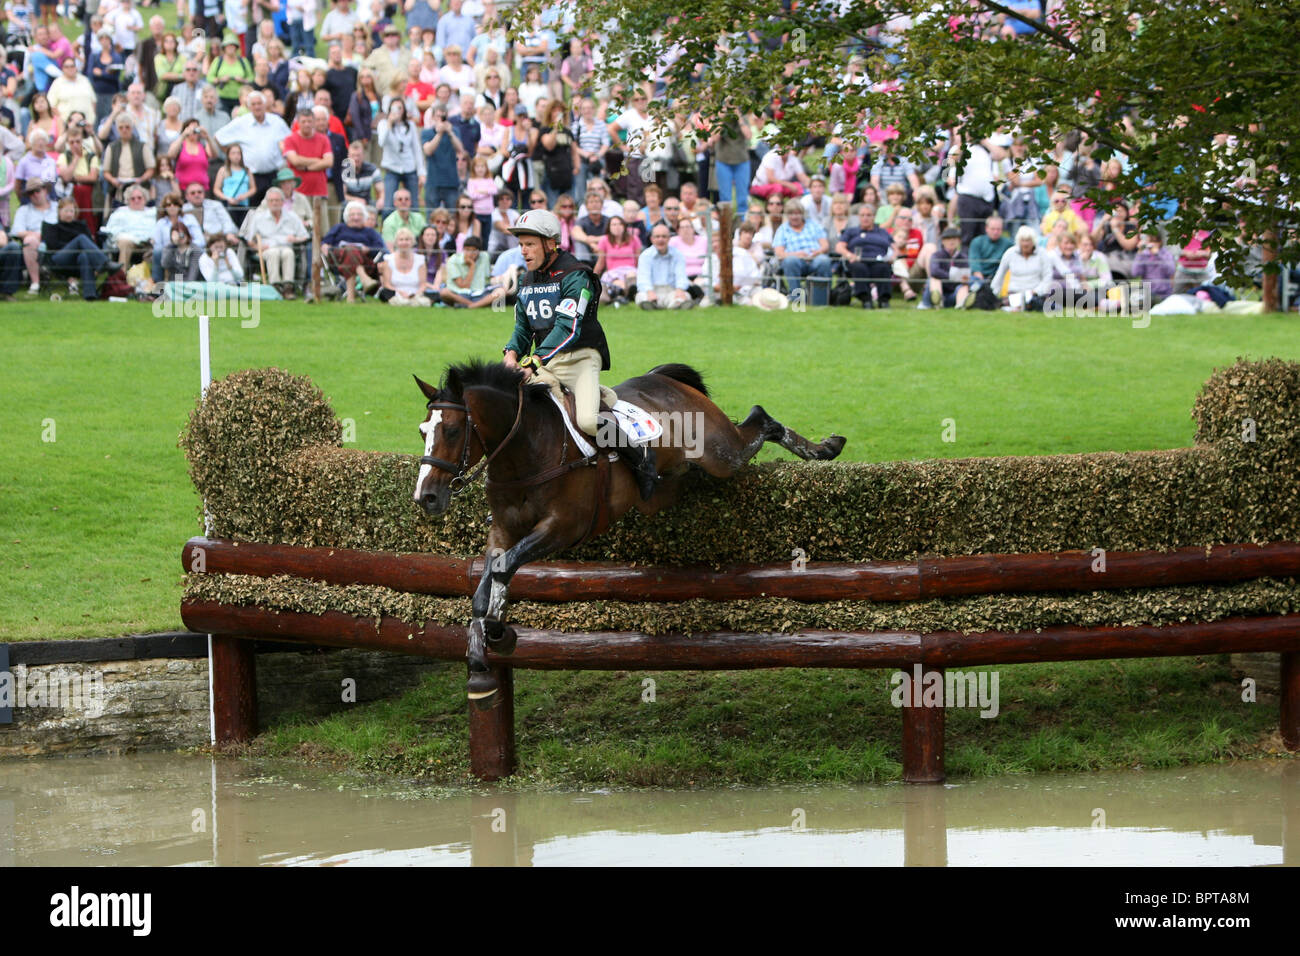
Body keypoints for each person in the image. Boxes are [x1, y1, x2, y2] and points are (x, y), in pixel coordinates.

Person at [503, 207, 658, 499]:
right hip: (546, 363)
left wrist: (534, 361)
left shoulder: (577, 276)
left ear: (551, 243)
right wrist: (511, 353)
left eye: (530, 244)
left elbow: (568, 328)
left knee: (587, 421)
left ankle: (641, 461)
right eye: (521, 244)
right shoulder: (527, 280)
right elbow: (523, 329)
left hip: (581, 357)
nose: (523, 251)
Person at [213, 91, 290, 207]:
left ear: (265, 105)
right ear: (249, 107)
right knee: (253, 211)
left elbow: (289, 141)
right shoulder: (241, 122)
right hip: (252, 177)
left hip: (274, 175)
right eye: (253, 104)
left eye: (259, 103)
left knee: (275, 208)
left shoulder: (277, 122)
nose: (257, 107)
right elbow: (218, 137)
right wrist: (233, 157)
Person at [247, 187, 308, 298]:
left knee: (288, 253)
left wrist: (295, 239)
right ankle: (275, 287)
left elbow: (305, 236)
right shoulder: (259, 217)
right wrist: (257, 246)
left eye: (277, 200)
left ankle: (288, 288)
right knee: (273, 253)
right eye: (271, 200)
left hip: (286, 246)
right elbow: (249, 240)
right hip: (266, 249)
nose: (274, 203)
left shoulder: (292, 216)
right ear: (267, 202)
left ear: (282, 202)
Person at [321, 199, 385, 300]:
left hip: (365, 262)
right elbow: (325, 243)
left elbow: (380, 248)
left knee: (351, 251)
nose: (355, 218)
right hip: (338, 262)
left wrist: (367, 249)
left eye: (359, 215)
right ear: (347, 217)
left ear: (364, 217)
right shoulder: (339, 228)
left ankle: (350, 298)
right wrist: (325, 247)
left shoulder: (370, 232)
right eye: (352, 215)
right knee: (350, 250)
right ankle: (364, 278)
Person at [772, 200, 831, 306]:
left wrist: (818, 252)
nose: (794, 217)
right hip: (795, 261)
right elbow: (779, 252)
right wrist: (796, 254)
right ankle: (797, 298)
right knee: (790, 261)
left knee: (824, 260)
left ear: (802, 214)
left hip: (814, 258)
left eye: (797, 213)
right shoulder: (783, 229)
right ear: (787, 215)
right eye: (791, 214)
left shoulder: (813, 225)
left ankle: (823, 297)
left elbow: (825, 245)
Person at [836, 202, 894, 308]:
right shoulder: (851, 231)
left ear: (874, 217)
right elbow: (839, 247)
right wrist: (849, 255)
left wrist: (892, 257)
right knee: (859, 268)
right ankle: (865, 299)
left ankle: (884, 300)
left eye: (868, 215)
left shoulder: (882, 232)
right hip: (858, 260)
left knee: (883, 268)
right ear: (858, 217)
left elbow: (895, 248)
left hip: (878, 260)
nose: (865, 218)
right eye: (862, 215)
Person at [376, 97, 421, 219]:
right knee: (388, 207)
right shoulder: (383, 124)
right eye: (394, 108)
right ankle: (387, 233)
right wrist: (389, 123)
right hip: (392, 168)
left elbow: (417, 149)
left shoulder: (410, 125)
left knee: (414, 206)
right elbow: (381, 142)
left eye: (400, 108)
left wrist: (421, 172)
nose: (398, 111)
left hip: (409, 167)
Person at [989, 225, 1052, 310]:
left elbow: (1048, 277)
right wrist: (993, 294)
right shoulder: (1010, 253)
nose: (1025, 244)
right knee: (1001, 304)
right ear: (1018, 241)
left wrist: (1036, 291)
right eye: (1023, 240)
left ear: (1033, 241)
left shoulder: (1042, 254)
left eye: (1028, 241)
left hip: (1035, 294)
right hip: (1014, 294)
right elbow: (1000, 275)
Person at [636, 222, 693, 311]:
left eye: (664, 236)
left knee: (685, 295)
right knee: (641, 296)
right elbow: (643, 278)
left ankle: (673, 304)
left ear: (669, 238)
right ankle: (655, 304)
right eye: (657, 237)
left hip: (671, 290)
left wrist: (680, 289)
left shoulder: (677, 255)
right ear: (652, 239)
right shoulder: (645, 255)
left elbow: (681, 276)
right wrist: (649, 292)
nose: (660, 239)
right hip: (652, 289)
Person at [12, 181, 57, 293]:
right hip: (34, 243)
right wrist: (36, 235)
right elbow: (17, 231)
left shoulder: (58, 206)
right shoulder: (23, 210)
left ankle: (72, 284)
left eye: (37, 191)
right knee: (30, 240)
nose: (35, 195)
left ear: (45, 190)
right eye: (31, 193)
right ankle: (35, 283)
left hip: (57, 241)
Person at [103, 185, 157, 271]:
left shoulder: (153, 212)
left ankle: (160, 280)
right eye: (133, 198)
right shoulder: (120, 212)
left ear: (145, 199)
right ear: (128, 200)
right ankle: (122, 277)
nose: (136, 200)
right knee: (124, 242)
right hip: (129, 241)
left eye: (139, 198)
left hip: (149, 242)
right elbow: (111, 229)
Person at [438, 234, 498, 307]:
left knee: (502, 290)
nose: (469, 254)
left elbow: (488, 278)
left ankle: (470, 305)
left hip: (480, 293)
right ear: (463, 249)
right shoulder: (453, 260)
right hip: (460, 294)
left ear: (479, 251)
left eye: (473, 251)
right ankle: (473, 305)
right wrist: (472, 267)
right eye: (467, 250)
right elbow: (463, 286)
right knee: (444, 292)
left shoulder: (484, 256)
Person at [377, 225, 429, 305]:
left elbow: (423, 285)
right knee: (385, 293)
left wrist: (415, 294)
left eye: (407, 240)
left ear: (412, 242)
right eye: (401, 240)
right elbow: (387, 284)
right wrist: (400, 292)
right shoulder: (388, 259)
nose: (404, 242)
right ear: (396, 242)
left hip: (415, 294)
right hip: (396, 293)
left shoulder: (420, 260)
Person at [594, 214, 639, 304]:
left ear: (624, 226)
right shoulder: (604, 240)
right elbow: (601, 262)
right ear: (609, 227)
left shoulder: (633, 239)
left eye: (619, 224)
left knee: (631, 275)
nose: (617, 227)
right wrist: (593, 277)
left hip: (630, 270)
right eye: (614, 225)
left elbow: (638, 259)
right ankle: (626, 295)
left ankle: (628, 293)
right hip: (613, 272)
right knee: (618, 282)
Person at [182, 181, 240, 249]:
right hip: (194, 242)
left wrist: (229, 233)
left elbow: (226, 221)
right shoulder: (183, 209)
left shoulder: (215, 204)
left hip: (216, 239)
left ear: (204, 194)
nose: (196, 195)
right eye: (193, 193)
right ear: (186, 196)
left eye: (199, 192)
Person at [924, 227, 972, 309]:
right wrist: (953, 276)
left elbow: (965, 276)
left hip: (954, 291)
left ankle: (961, 304)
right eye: (948, 239)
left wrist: (956, 278)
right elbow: (934, 271)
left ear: (959, 241)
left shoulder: (963, 257)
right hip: (938, 288)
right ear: (943, 241)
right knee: (934, 280)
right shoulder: (937, 255)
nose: (951, 241)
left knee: (964, 286)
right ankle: (938, 302)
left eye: (954, 239)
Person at [969, 215, 1013, 293]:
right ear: (986, 229)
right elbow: (974, 261)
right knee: (974, 285)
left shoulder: (1008, 244)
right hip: (980, 276)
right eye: (993, 229)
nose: (995, 232)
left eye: (998, 229)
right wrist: (979, 275)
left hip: (999, 276)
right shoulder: (977, 242)